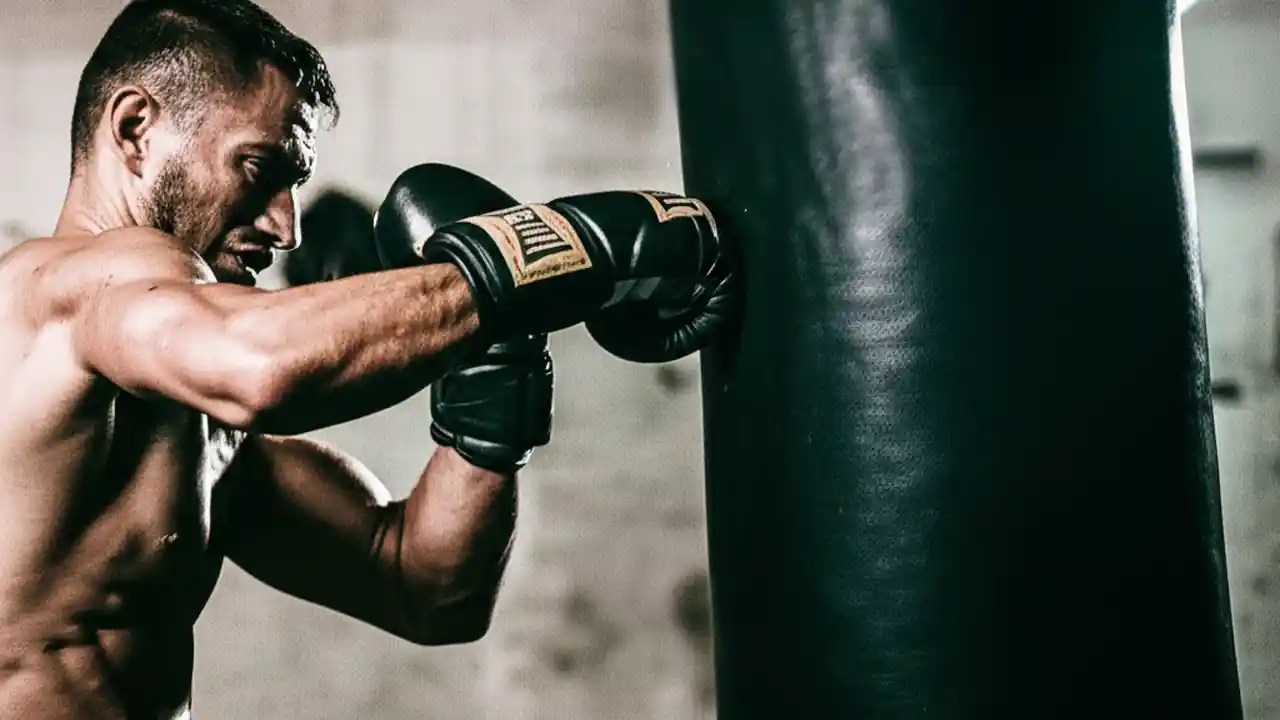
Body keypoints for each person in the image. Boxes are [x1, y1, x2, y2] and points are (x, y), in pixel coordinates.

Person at [0, 1, 734, 718]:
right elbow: (257, 365)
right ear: (135, 129)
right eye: (259, 168)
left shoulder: (192, 424)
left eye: (295, 186)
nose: (284, 229)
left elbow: (422, 585)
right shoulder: (58, 288)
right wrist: (545, 255)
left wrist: (493, 358)